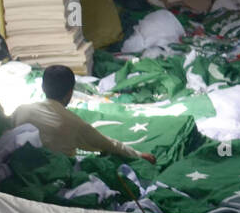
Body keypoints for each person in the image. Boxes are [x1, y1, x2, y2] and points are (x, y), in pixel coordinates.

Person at [12, 65, 157, 163]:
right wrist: (138, 155)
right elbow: (107, 144)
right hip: (56, 173)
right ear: (70, 93)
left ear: (43, 87)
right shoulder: (72, 123)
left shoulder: (21, 110)